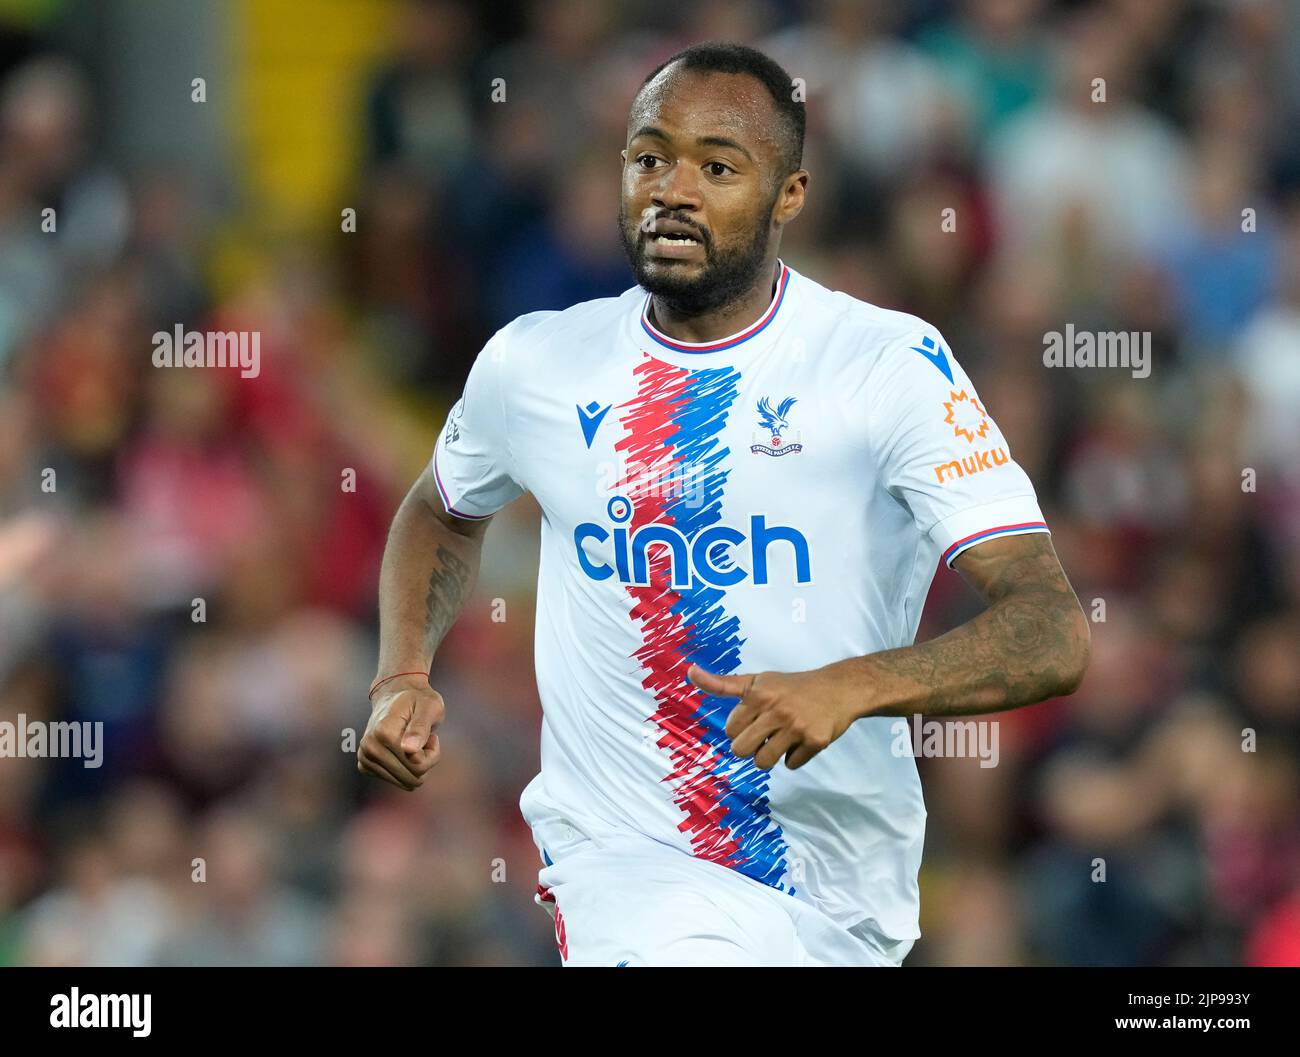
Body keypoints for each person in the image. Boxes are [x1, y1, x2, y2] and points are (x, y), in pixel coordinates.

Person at [358, 41, 1091, 967]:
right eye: (648, 157)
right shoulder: (535, 363)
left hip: (840, 891)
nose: (671, 188)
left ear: (789, 194)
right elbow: (440, 510)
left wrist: (854, 685)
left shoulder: (885, 366)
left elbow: (1052, 628)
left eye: (716, 166)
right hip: (625, 869)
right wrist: (402, 673)